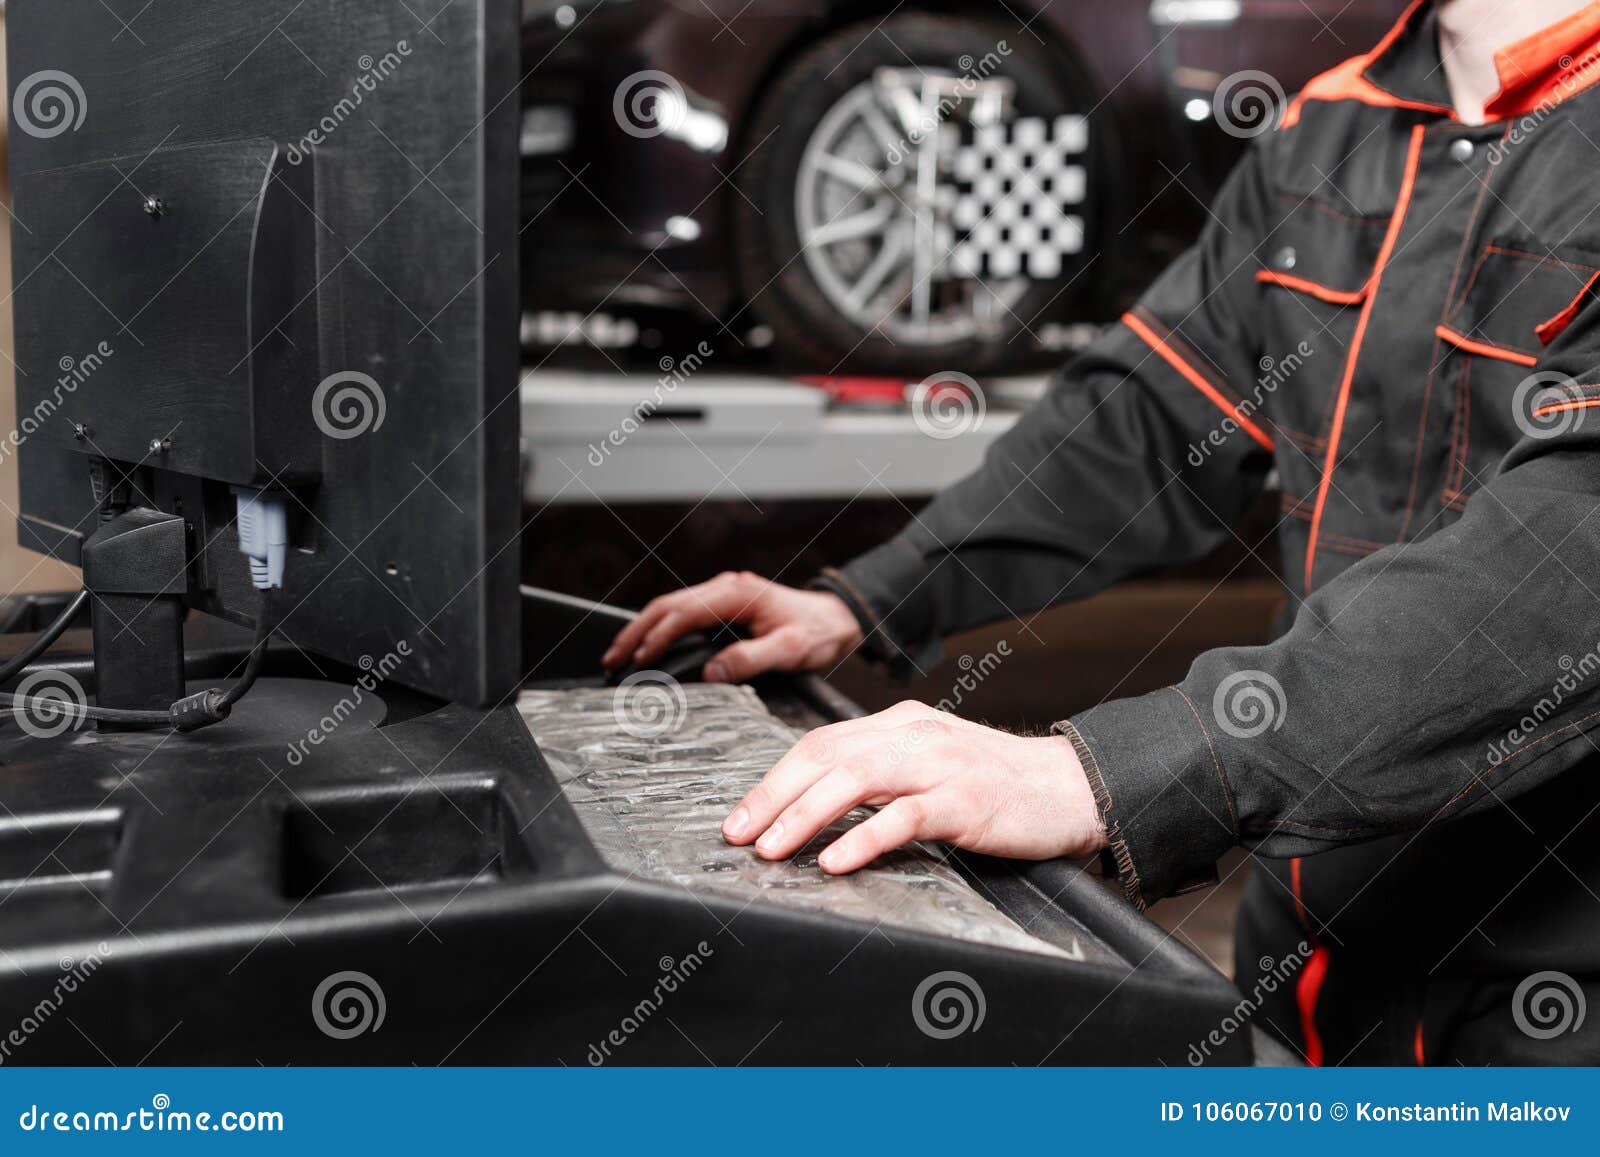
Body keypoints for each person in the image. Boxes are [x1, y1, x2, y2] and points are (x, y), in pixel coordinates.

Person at [604, 0, 1600, 1065]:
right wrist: (869, 595)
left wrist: (1106, 773)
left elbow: (1568, 548)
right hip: (1310, 970)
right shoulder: (1333, 123)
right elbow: (1152, 411)